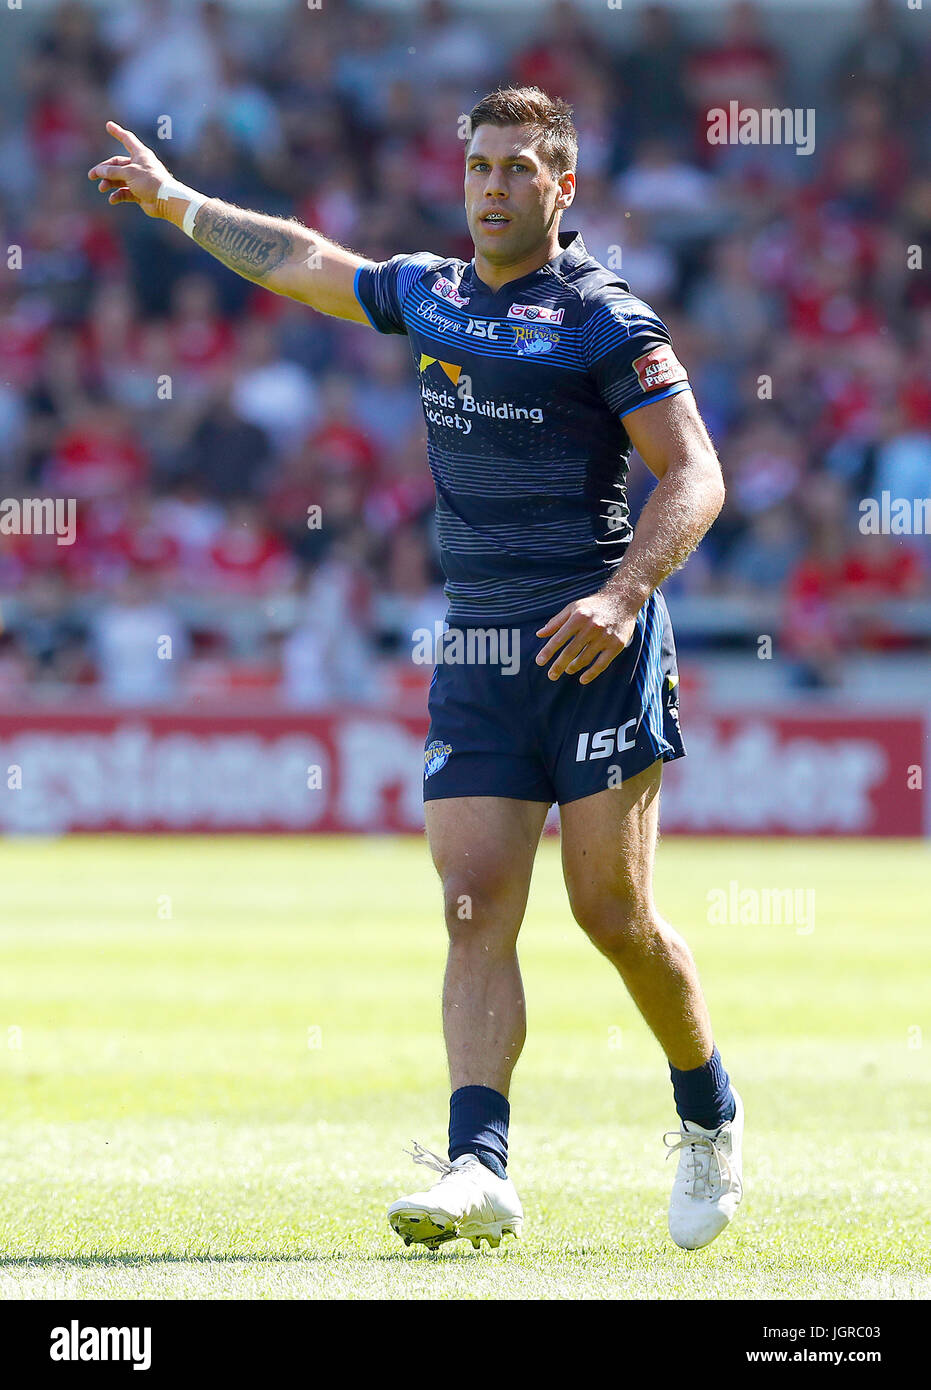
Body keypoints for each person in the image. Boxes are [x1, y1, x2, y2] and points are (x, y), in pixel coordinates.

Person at [89, 85, 742, 1252]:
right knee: (473, 905)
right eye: (479, 167)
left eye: (517, 171)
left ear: (562, 187)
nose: (492, 188)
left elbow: (695, 476)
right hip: (480, 651)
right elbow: (304, 261)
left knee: (612, 914)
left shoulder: (603, 319)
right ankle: (478, 1166)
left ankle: (707, 1115)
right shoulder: (432, 293)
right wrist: (181, 203)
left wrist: (622, 593)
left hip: (596, 645)